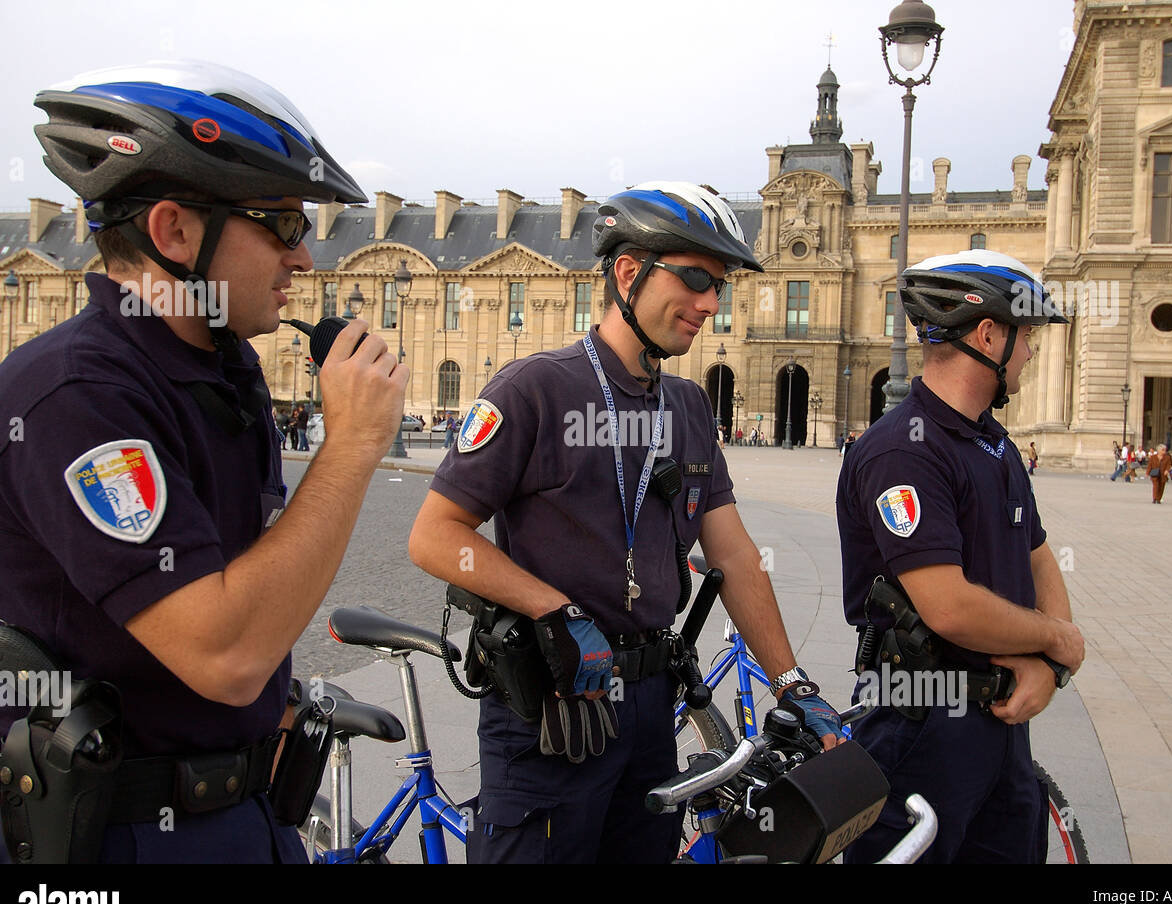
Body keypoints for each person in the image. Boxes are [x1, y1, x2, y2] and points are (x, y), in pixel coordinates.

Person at [0, 62, 407, 864]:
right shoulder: (72, 397)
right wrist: (350, 447)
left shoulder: (220, 373)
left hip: (241, 819)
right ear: (173, 231)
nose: (304, 259)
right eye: (282, 224)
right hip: (114, 840)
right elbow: (225, 654)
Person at [408, 181, 843, 864]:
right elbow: (434, 537)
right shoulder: (535, 391)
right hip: (556, 704)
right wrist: (554, 608)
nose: (709, 303)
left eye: (719, 287)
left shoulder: (690, 407)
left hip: (647, 704)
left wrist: (792, 682)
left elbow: (734, 553)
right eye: (696, 279)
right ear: (628, 273)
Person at [836, 250, 1085, 864]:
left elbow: (1038, 555)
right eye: (1025, 335)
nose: (1030, 351)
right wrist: (1055, 638)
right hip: (921, 728)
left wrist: (1049, 662)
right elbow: (947, 607)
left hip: (999, 728)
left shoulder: (993, 443)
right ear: (989, 334)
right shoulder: (904, 451)